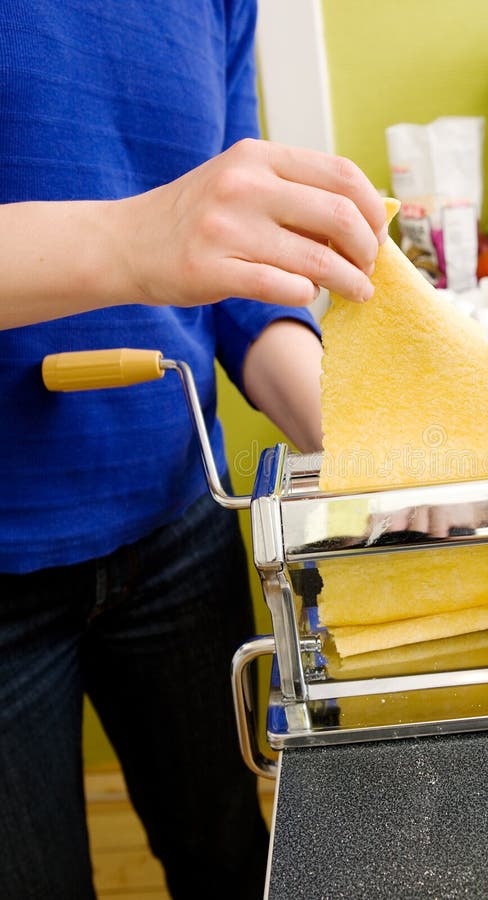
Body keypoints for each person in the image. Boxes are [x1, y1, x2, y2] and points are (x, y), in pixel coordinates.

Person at [0, 1, 386, 897]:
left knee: (226, 849)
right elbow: (174, 235)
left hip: (184, 519)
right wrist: (138, 237)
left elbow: (238, 290)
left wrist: (356, 430)